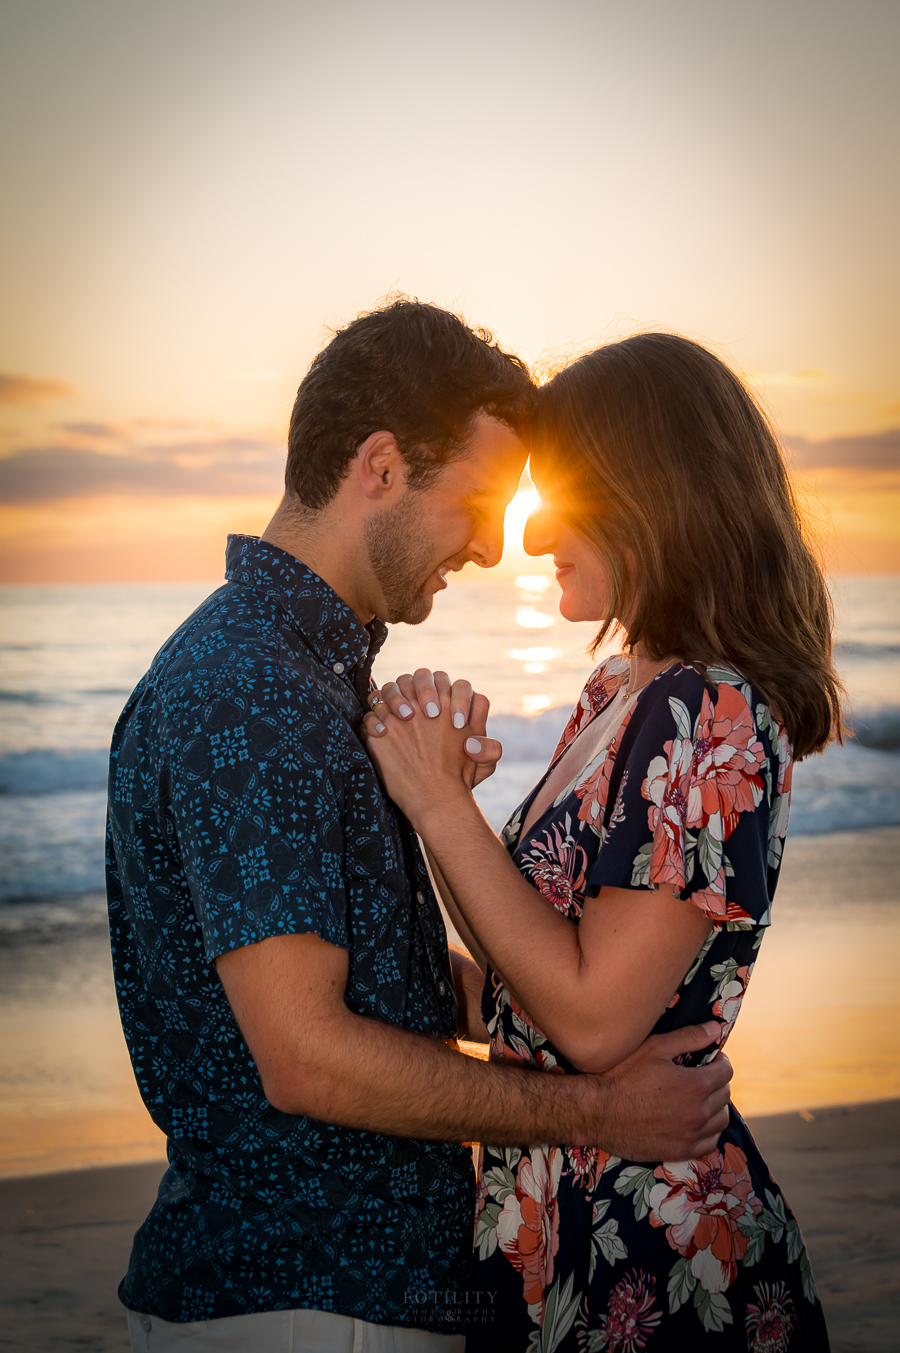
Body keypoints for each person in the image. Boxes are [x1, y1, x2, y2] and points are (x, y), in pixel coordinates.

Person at [106, 303, 733, 1353]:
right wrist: (598, 1114)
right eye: (479, 501)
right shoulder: (252, 690)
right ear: (382, 468)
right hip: (314, 1295)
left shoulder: (303, 672)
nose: (492, 545)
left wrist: (529, 1002)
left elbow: (352, 979)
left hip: (347, 1292)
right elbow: (307, 1055)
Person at [362, 332, 840, 1350]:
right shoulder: (618, 694)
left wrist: (443, 807)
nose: (531, 539)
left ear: (644, 497)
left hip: (647, 1239)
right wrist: (431, 810)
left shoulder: (707, 712)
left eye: (559, 499)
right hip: (549, 1206)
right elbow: (530, 978)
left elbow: (588, 1022)